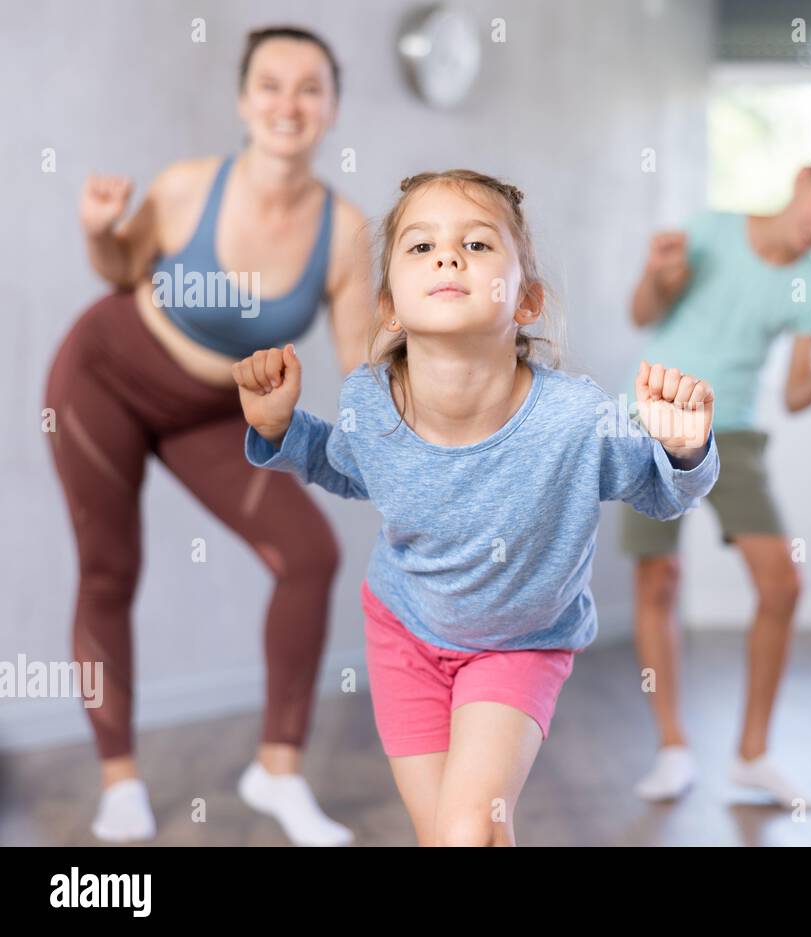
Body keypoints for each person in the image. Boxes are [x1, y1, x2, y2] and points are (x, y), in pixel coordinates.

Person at [235, 169, 720, 845]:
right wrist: (278, 428)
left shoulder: (574, 420)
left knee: (469, 830)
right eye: (420, 245)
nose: (448, 255)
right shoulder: (371, 402)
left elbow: (660, 490)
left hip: (519, 645)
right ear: (389, 308)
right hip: (404, 632)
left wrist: (686, 451)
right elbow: (340, 465)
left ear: (526, 300)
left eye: (478, 244)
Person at [44, 26, 373, 844]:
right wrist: (96, 227)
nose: (288, 104)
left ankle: (278, 770)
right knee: (110, 568)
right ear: (243, 100)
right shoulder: (191, 186)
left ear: (332, 107)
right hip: (104, 379)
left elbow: (362, 363)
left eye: (308, 87)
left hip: (215, 411)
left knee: (310, 554)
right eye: (270, 85)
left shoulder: (345, 231)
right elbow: (121, 269)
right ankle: (120, 780)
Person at [624, 140, 811, 804]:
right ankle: (672, 747)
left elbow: (795, 396)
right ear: (804, 179)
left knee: (782, 584)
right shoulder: (712, 230)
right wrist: (659, 274)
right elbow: (643, 313)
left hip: (731, 433)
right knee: (659, 578)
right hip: (652, 417)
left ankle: (752, 754)